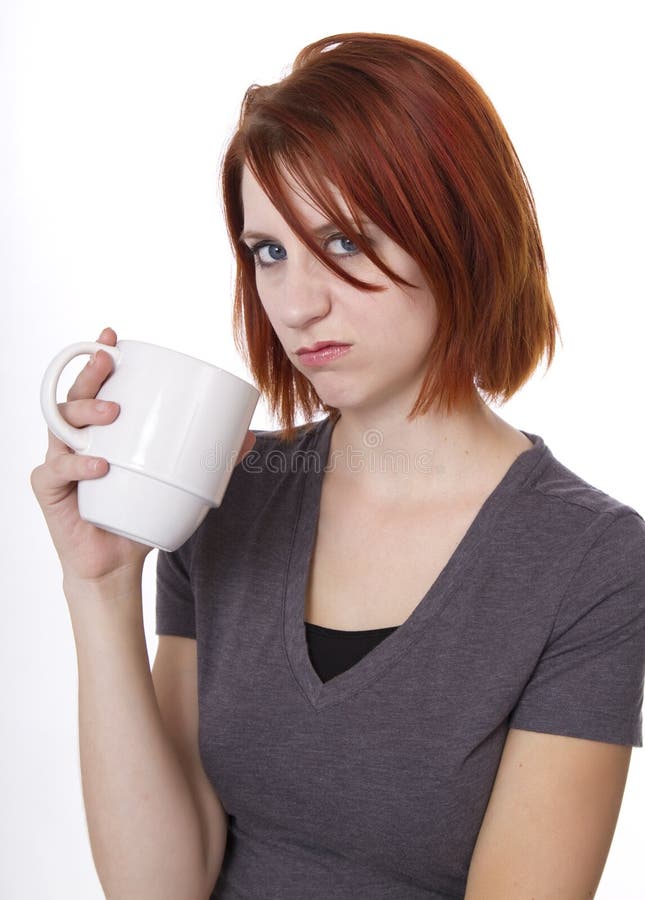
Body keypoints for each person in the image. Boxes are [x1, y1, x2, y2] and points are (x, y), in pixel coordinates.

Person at [31, 32, 645, 900]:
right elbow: (157, 885)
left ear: (461, 234)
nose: (294, 300)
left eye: (346, 242)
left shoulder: (588, 561)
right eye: (268, 251)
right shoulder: (230, 496)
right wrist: (98, 587)